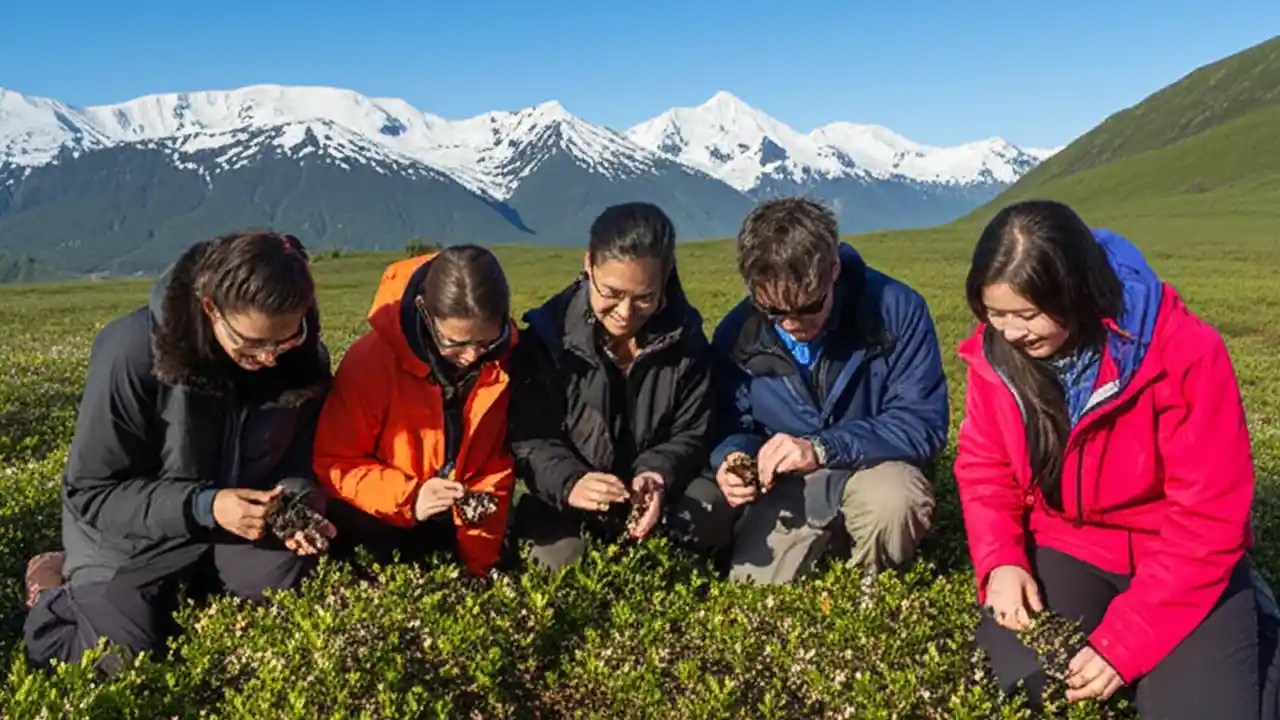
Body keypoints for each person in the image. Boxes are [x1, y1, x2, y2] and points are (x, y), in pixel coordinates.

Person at [955, 199, 1278, 717]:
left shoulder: (1184, 353)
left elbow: (1208, 519)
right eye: (994, 314)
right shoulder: (996, 359)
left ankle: (1252, 619)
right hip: (1067, 544)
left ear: (1076, 292)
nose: (1011, 332)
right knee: (1018, 685)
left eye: (1028, 314)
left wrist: (1124, 645)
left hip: (1178, 556)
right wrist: (1002, 560)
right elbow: (984, 468)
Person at [22, 231, 335, 671]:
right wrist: (205, 505)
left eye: (285, 339)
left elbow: (303, 458)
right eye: (251, 344)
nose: (270, 359)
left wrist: (295, 503)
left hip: (235, 524)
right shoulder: (130, 351)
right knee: (119, 662)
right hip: (128, 536)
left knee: (293, 585)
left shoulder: (303, 358)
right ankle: (51, 592)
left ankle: (174, 596)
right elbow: (91, 492)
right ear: (211, 308)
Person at [693, 197, 948, 584]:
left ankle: (877, 596)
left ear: (833, 269)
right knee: (757, 605)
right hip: (788, 489)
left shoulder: (897, 310)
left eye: (809, 306)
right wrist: (732, 458)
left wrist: (821, 447)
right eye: (775, 312)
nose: (793, 323)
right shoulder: (736, 334)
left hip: (875, 469)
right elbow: (731, 422)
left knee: (895, 501)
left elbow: (921, 424)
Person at [508, 202, 715, 570]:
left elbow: (694, 433)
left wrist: (657, 473)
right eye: (611, 293)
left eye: (644, 298)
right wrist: (572, 482)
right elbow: (529, 438)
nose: (625, 312)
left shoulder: (687, 339)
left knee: (707, 519)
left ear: (666, 277)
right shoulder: (547, 337)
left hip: (663, 497)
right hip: (565, 505)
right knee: (556, 563)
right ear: (588, 265)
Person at [312, 245, 516, 577]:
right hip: (377, 523)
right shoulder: (371, 362)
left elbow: (493, 472)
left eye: (486, 342)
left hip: (456, 525)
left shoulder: (505, 360)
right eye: (455, 343)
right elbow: (335, 462)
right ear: (423, 311)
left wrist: (478, 570)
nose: (471, 357)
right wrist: (411, 498)